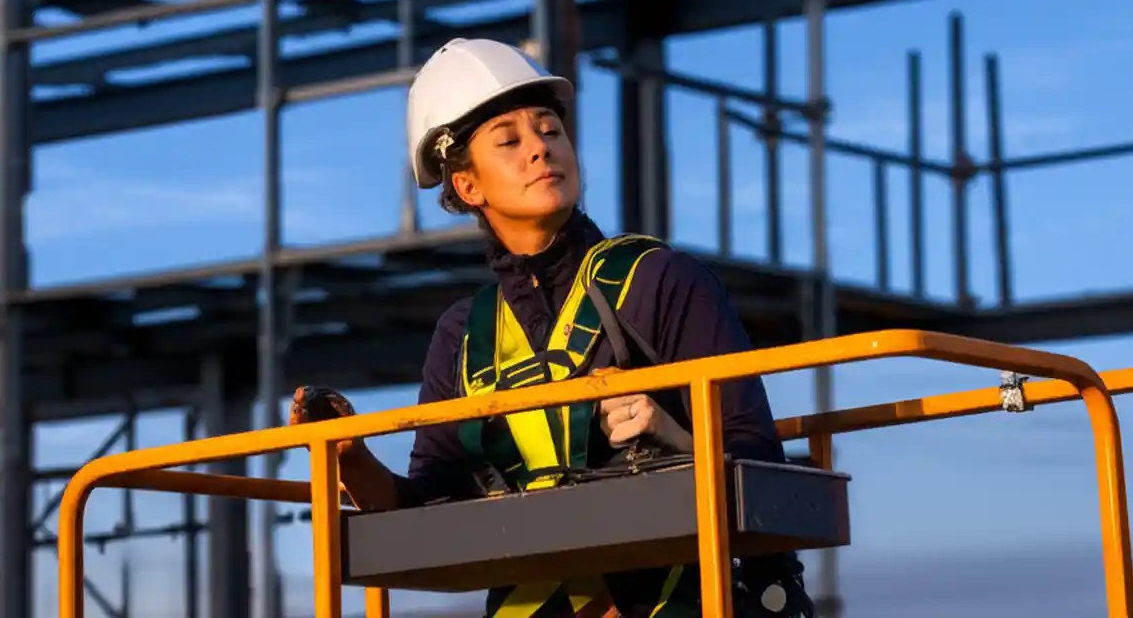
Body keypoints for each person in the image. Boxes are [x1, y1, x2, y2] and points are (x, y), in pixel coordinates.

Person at [289, 37, 815, 618]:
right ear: (468, 186)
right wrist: (346, 457)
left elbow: (756, 463)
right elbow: (427, 507)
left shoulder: (660, 281)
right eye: (509, 141)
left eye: (550, 131)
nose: (540, 149)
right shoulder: (464, 335)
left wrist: (670, 434)